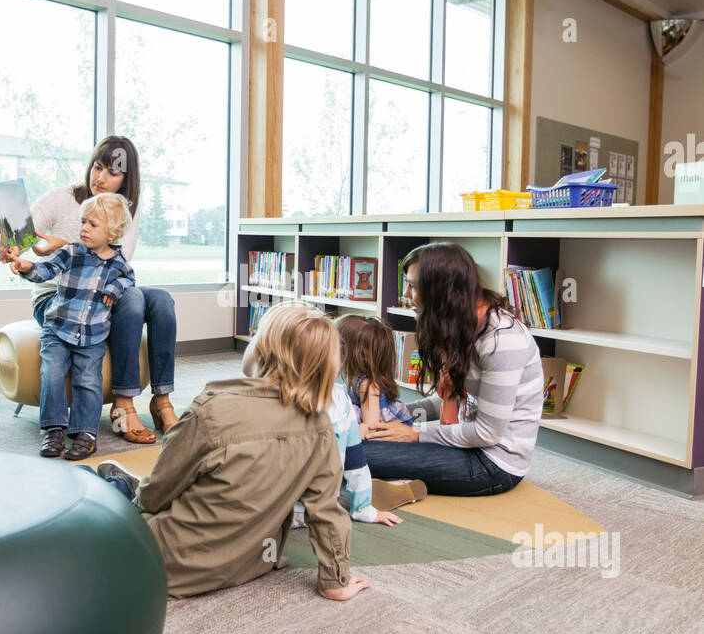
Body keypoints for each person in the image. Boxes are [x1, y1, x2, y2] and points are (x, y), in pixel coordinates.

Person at [90, 304, 371, 601]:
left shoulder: (213, 409)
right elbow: (327, 512)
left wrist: (138, 505)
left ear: (263, 351)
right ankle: (123, 486)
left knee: (89, 488)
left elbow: (160, 490)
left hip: (163, 564)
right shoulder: (320, 427)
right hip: (251, 563)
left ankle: (121, 487)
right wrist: (335, 580)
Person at [360, 243, 544, 497]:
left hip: (492, 464)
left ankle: (398, 481)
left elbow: (487, 432)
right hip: (466, 444)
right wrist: (397, 414)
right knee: (363, 440)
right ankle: (399, 481)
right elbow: (450, 400)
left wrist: (414, 434)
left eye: (413, 286)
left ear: (440, 291)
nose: (405, 294)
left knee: (355, 453)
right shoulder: (464, 325)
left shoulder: (501, 340)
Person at [29, 135, 177, 446]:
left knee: (161, 300)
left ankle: (161, 399)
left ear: (126, 179)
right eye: (98, 167)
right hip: (59, 297)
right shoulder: (63, 198)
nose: (100, 178)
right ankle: (123, 404)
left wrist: (115, 283)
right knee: (133, 296)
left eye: (112, 173)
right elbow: (23, 229)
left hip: (99, 294)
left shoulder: (126, 211)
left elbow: (121, 265)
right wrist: (43, 249)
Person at [242, 316, 414, 528]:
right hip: (309, 508)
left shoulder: (278, 398)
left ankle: (367, 491)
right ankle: (361, 495)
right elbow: (354, 462)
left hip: (267, 511)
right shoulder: (340, 399)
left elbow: (372, 429)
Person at [6, 193, 134, 461]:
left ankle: (85, 434)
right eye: (83, 222)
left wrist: (115, 286)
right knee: (51, 373)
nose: (84, 228)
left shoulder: (119, 263)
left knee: (88, 380)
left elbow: (129, 280)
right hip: (58, 328)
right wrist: (24, 265)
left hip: (93, 334)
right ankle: (53, 429)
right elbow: (45, 270)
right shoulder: (71, 251)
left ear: (112, 232)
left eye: (93, 224)